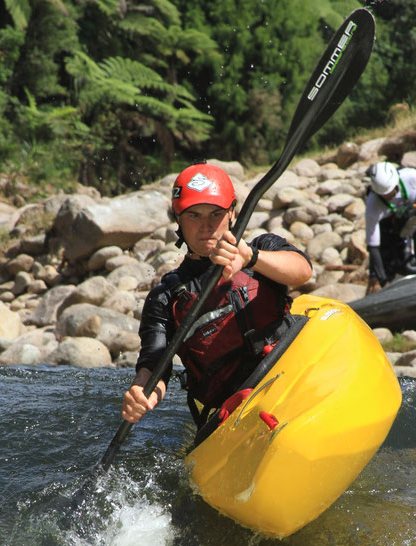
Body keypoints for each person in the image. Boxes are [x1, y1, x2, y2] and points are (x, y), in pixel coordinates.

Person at [121, 162, 312, 428]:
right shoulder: (165, 297)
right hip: (233, 411)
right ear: (178, 219)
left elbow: (303, 271)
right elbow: (155, 364)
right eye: (194, 215)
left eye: (215, 214)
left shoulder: (261, 249)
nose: (206, 226)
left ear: (232, 212)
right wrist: (143, 390)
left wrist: (250, 258)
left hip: (289, 373)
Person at [364, 161, 416, 294]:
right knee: (375, 282)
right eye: (383, 194)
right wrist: (384, 282)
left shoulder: (409, 176)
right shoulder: (373, 206)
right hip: (389, 234)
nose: (387, 196)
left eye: (389, 192)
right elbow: (373, 248)